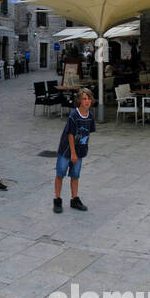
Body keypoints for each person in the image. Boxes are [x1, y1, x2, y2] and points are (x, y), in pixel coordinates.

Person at [54, 86, 96, 214]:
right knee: (60, 173)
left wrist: (83, 149)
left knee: (75, 175)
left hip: (80, 150)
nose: (87, 101)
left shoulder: (90, 116)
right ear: (79, 101)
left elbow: (88, 133)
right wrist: (72, 152)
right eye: (84, 99)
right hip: (67, 150)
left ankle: (74, 198)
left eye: (88, 98)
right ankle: (57, 199)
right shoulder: (74, 115)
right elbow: (70, 134)